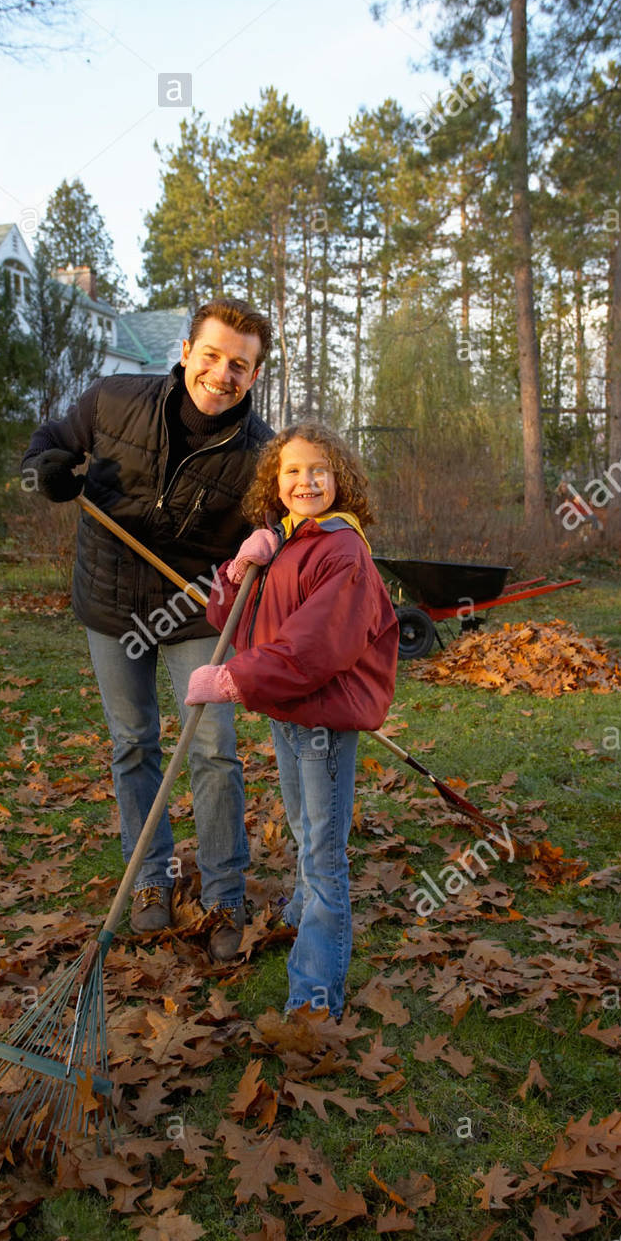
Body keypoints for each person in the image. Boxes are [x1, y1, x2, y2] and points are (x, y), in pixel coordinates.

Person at [21, 297, 273, 960]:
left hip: (195, 607)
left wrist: (269, 547)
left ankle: (224, 893)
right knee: (133, 741)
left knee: (213, 746)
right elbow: (45, 445)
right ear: (186, 353)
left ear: (255, 376)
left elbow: (280, 525)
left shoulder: (261, 453)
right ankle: (149, 879)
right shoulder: (112, 401)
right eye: (213, 357)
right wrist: (46, 472)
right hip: (110, 603)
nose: (223, 375)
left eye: (240, 366)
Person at [184, 424, 398, 1017]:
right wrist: (236, 576)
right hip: (290, 712)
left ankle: (315, 995)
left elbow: (315, 646)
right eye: (292, 472)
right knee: (306, 827)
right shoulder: (284, 542)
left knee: (325, 854)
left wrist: (236, 679)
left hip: (322, 719)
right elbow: (242, 623)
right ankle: (301, 911)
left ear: (340, 480)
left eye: (319, 470)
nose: (305, 481)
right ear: (274, 483)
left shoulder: (341, 550)